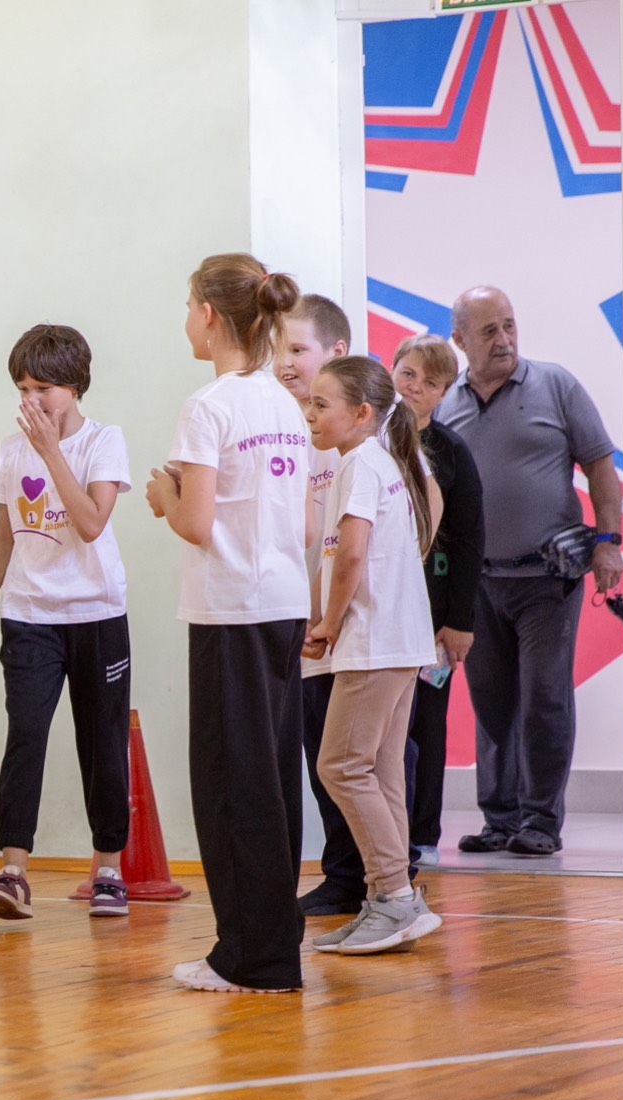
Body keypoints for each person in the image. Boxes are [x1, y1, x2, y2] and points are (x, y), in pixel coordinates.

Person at [145, 253, 308, 994]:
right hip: (281, 600)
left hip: (229, 610)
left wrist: (162, 498)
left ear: (209, 316)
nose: (185, 320)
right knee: (271, 778)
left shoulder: (207, 406)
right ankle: (274, 943)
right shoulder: (282, 401)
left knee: (230, 782)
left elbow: (198, 521)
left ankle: (247, 956)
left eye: (188, 305)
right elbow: (303, 524)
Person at [437, 287, 623, 856]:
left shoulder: (556, 385)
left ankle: (540, 821)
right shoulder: (447, 404)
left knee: (544, 697)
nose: (504, 340)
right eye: (489, 330)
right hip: (478, 582)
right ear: (461, 340)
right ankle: (499, 819)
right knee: (491, 701)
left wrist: (609, 542)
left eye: (510, 326)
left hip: (548, 577)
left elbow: (600, 467)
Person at [0, 324, 134, 920]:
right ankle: (13, 872)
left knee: (103, 743)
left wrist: (51, 453)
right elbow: (4, 537)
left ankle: (109, 871)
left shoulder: (104, 442)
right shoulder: (11, 453)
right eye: (23, 388)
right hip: (30, 615)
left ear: (75, 386)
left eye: (44, 388)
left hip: (96, 613)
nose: (32, 401)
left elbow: (91, 523)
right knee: (26, 738)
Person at [302, 358, 441, 955]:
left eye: (321, 404)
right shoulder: (380, 462)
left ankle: (393, 896)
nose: (310, 415)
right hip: (398, 641)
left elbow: (352, 555)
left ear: (361, 414)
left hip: (374, 642)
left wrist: (328, 624)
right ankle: (390, 901)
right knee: (380, 772)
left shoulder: (359, 464)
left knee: (340, 765)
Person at [274, 295, 366, 917]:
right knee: (319, 758)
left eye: (297, 350)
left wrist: (332, 613)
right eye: (278, 350)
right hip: (304, 623)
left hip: (349, 627)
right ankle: (343, 875)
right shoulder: (291, 431)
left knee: (354, 763)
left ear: (337, 352)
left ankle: (380, 877)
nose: (284, 364)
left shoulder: (357, 440)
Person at [392, 334, 484, 856]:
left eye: (430, 383)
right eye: (408, 374)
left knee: (426, 722)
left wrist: (460, 620)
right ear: (392, 370)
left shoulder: (453, 452)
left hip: (434, 613)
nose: (416, 388)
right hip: (377, 610)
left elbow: (472, 539)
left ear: (444, 392)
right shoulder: (368, 438)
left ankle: (421, 835)